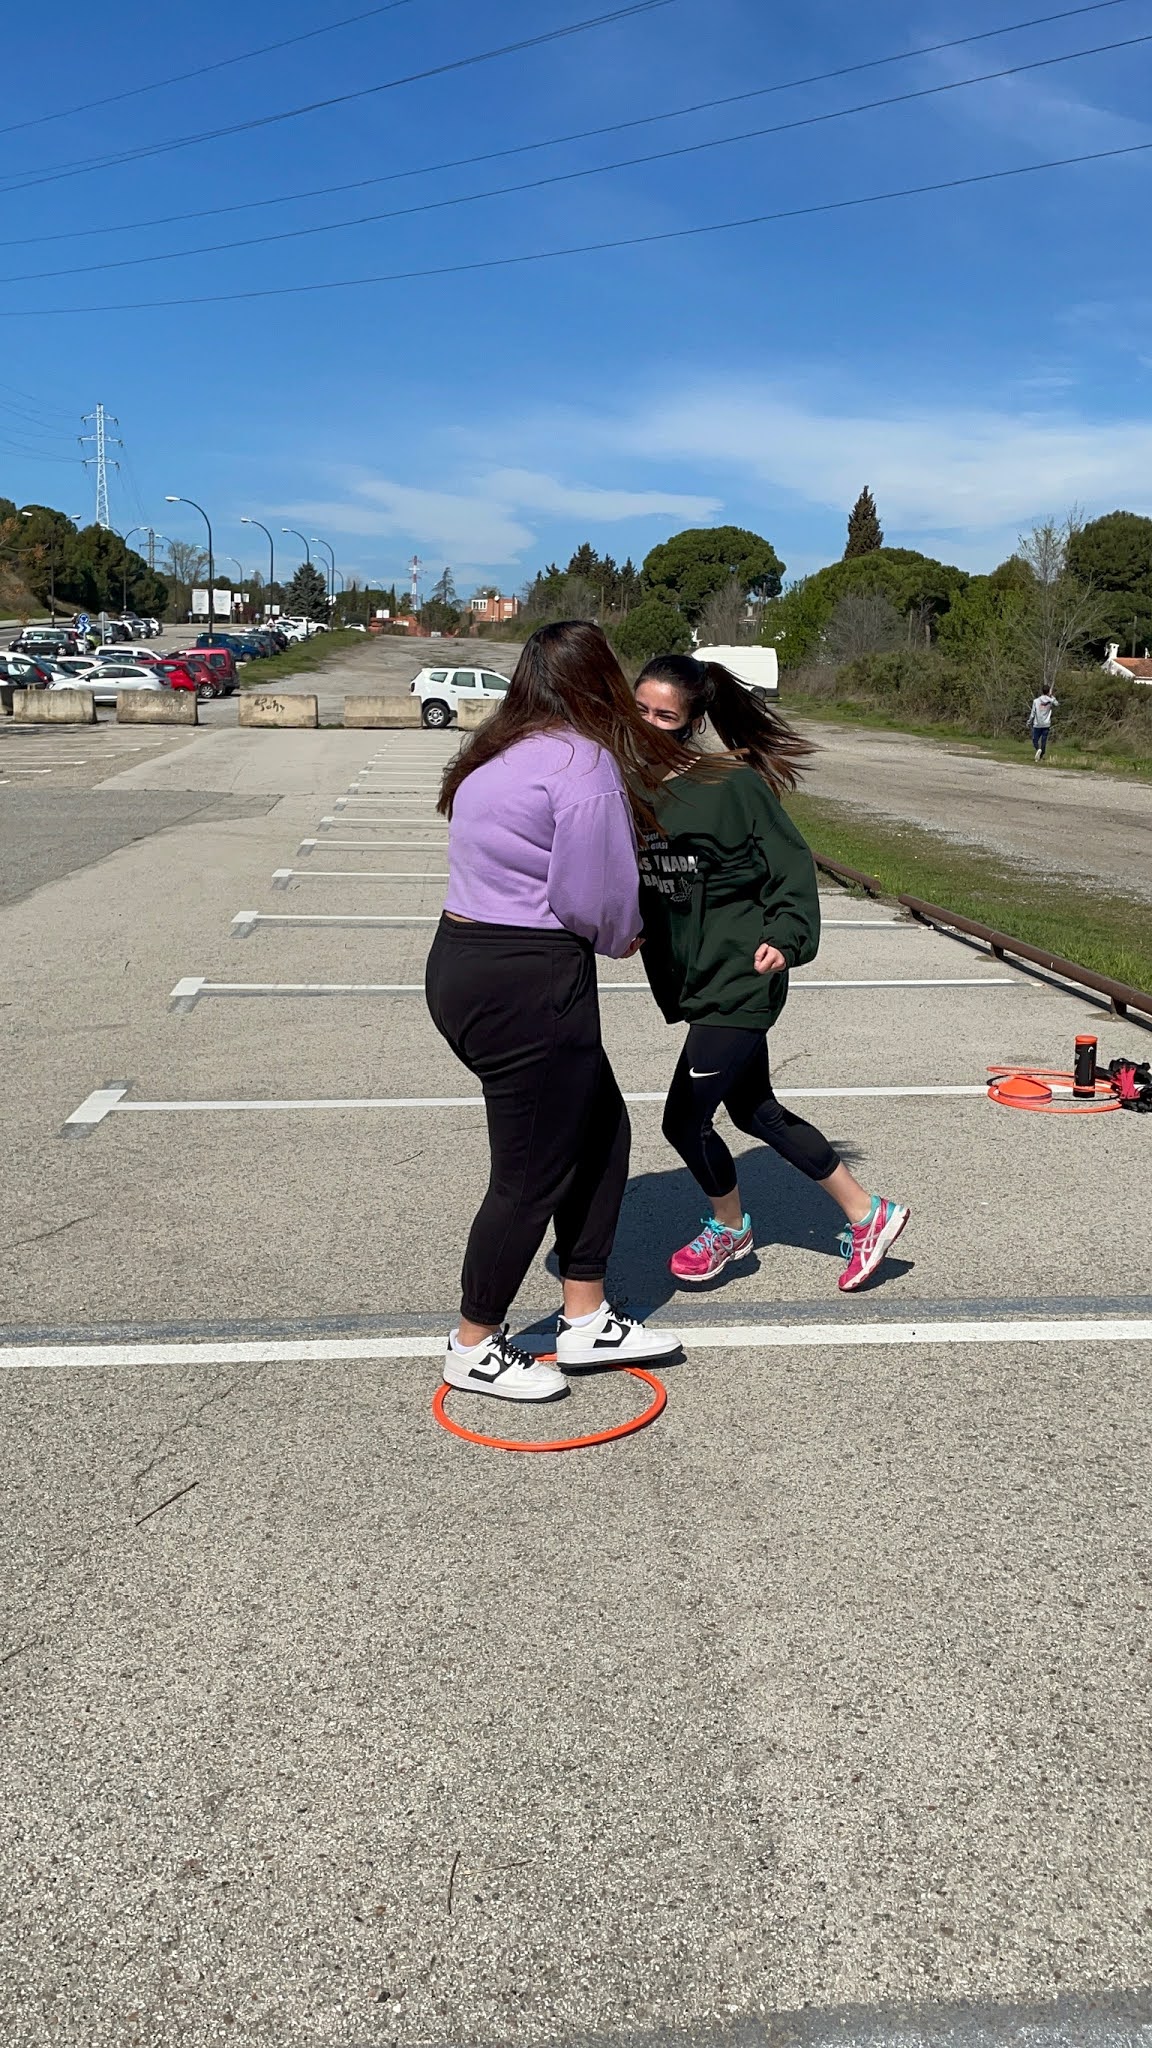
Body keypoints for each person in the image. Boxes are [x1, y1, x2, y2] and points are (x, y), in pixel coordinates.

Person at [426, 621, 684, 1403]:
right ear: (601, 682)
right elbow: (593, 896)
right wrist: (627, 931)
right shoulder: (584, 763)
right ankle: (473, 1342)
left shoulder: (492, 753)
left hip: (464, 961)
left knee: (603, 1128)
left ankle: (586, 1314)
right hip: (530, 980)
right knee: (531, 1174)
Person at [633, 654, 910, 1293]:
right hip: (695, 974)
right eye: (641, 710)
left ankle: (729, 1229)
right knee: (755, 1110)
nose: (650, 723)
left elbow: (788, 865)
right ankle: (870, 1214)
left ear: (692, 720)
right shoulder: (635, 781)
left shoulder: (731, 784)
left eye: (665, 716)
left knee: (683, 1120)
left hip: (742, 972)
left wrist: (786, 939)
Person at [1028, 688, 1059, 761]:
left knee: (1035, 740)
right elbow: (1057, 704)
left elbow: (1033, 713)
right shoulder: (1050, 701)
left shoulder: (1036, 701)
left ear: (1041, 691)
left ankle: (1038, 749)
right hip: (1046, 724)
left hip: (1037, 723)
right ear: (1048, 692)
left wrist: (1029, 721)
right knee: (1043, 741)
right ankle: (1041, 755)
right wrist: (1052, 697)